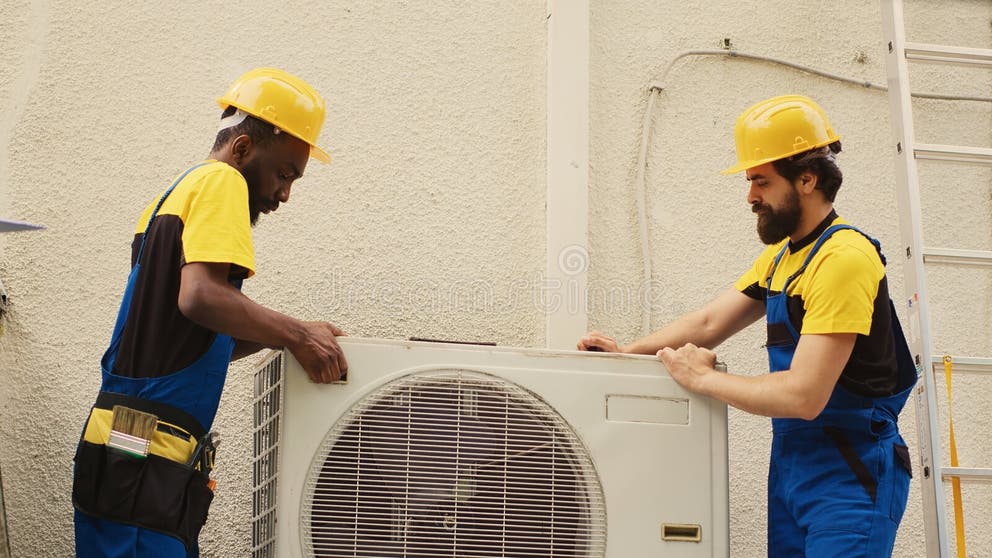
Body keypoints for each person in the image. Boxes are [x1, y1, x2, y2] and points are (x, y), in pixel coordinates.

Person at [578, 95, 916, 557]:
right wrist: (627, 354)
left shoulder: (844, 259)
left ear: (807, 179)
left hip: (851, 473)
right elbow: (710, 321)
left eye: (761, 181)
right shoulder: (782, 259)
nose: (751, 196)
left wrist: (705, 378)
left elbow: (804, 396)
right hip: (795, 470)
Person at [72, 67, 349, 557]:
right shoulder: (222, 181)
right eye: (284, 173)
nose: (285, 194)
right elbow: (200, 297)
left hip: (128, 449)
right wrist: (296, 333)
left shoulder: (174, 196)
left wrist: (277, 335)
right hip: (144, 463)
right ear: (242, 149)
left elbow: (195, 331)